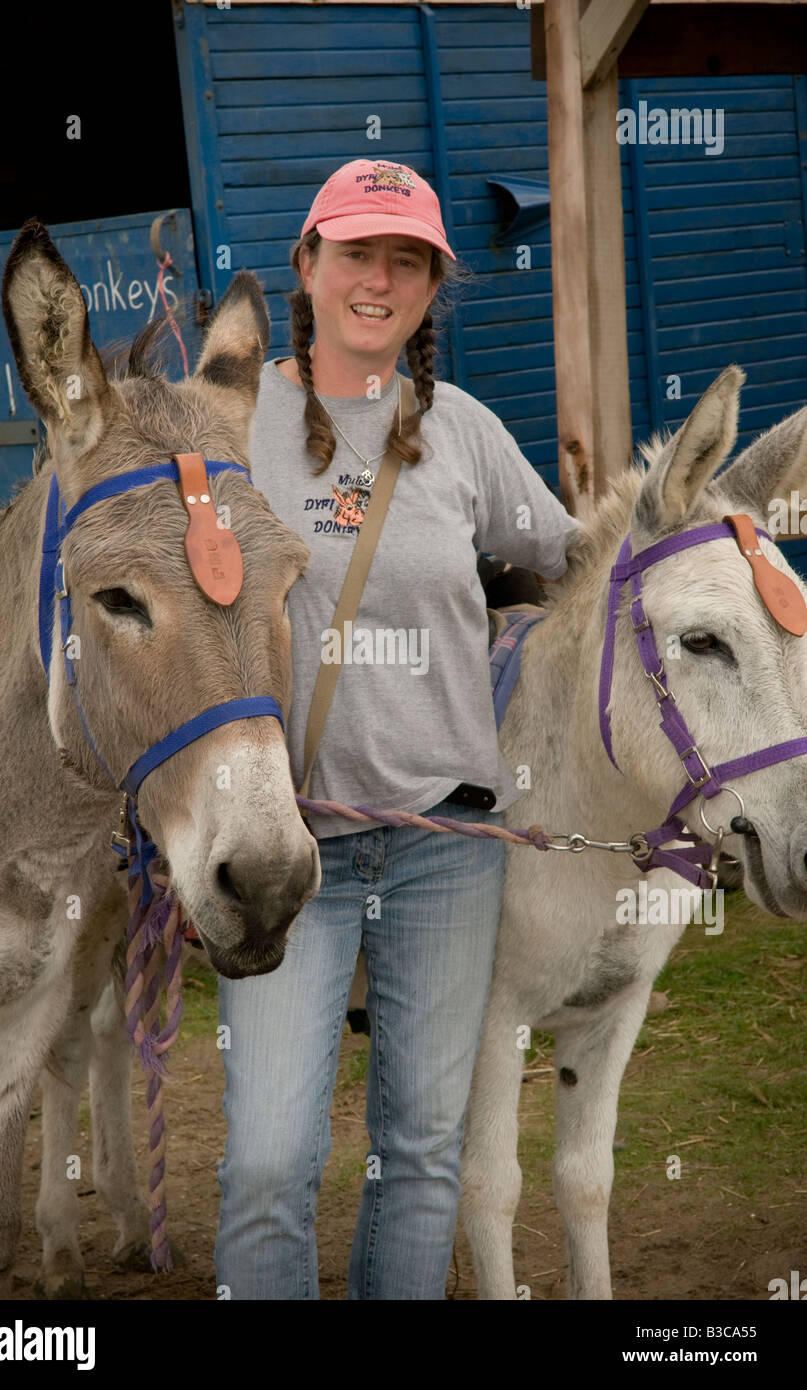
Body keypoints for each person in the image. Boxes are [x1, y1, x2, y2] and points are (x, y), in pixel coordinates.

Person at [214, 157, 582, 1300]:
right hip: (288, 847)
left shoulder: (461, 432)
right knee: (268, 1160)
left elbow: (578, 558)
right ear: (307, 264)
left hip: (444, 842)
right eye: (358, 253)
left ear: (431, 287)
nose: (379, 280)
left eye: (408, 261)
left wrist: (703, 544)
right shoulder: (230, 422)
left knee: (420, 1151)